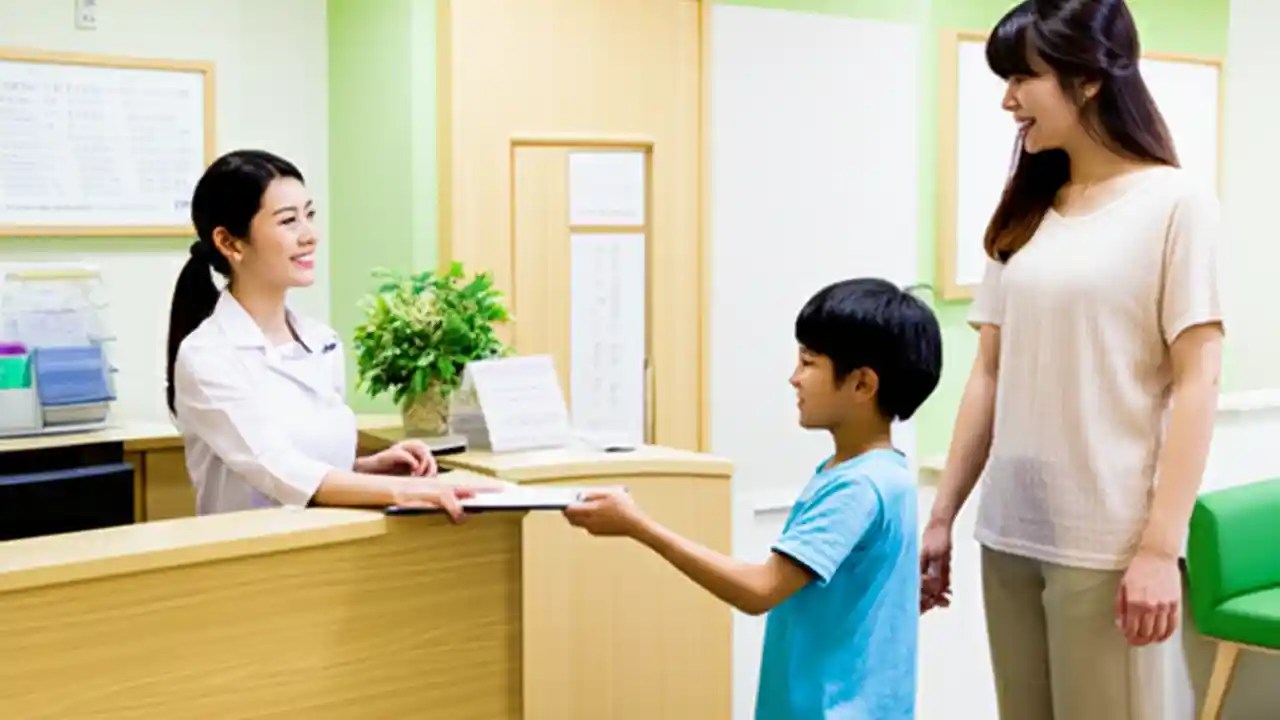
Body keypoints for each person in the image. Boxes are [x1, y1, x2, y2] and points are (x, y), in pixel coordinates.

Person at [919, 2, 1224, 719]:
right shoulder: (1027, 210)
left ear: (1088, 80)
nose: (1007, 99)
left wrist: (1158, 549)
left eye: (1023, 78)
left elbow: (1197, 382)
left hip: (1109, 544)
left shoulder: (1176, 203)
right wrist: (942, 515)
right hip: (1010, 532)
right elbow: (988, 373)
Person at [564, 278, 942, 720]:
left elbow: (759, 590)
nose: (794, 377)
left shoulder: (856, 488)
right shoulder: (885, 474)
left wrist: (639, 526)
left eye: (808, 362)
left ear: (862, 385)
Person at [166, 149, 493, 518]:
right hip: (253, 559)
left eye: (310, 215)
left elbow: (309, 469)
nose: (310, 235)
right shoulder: (207, 356)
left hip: (333, 545)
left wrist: (368, 469)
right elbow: (276, 469)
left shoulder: (322, 341)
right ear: (230, 243)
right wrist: (405, 490)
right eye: (288, 221)